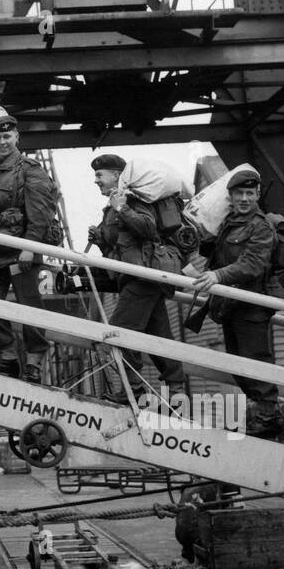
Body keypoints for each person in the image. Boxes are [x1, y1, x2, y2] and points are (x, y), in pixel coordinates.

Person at [189, 169, 281, 437]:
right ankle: (259, 412)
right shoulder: (229, 222)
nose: (244, 198)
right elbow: (217, 255)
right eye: (239, 193)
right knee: (238, 364)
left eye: (249, 193)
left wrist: (218, 275)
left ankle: (268, 414)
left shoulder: (260, 226)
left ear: (257, 195)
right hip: (230, 305)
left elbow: (253, 264)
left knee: (254, 360)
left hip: (251, 306)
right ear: (230, 196)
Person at [88, 153, 187, 397]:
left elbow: (147, 228)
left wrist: (121, 207)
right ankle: (176, 389)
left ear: (116, 175)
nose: (96, 181)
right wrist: (100, 239)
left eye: (100, 175)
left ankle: (134, 389)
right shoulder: (113, 204)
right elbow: (121, 245)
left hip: (141, 277)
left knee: (119, 334)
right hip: (137, 277)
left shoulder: (132, 199)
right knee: (159, 336)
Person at [0, 115, 56, 383]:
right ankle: (7, 358)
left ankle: (33, 363)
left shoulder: (30, 170)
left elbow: (41, 211)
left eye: (7, 137)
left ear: (16, 137)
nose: (2, 142)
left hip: (20, 250)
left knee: (29, 305)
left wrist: (29, 246)